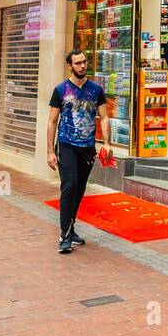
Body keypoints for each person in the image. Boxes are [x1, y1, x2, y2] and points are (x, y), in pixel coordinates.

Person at [46, 50, 111, 254]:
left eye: (84, 62)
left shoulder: (96, 89)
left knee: (80, 189)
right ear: (69, 66)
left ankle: (71, 227)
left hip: (87, 148)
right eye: (78, 63)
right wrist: (50, 151)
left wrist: (107, 143)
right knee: (69, 186)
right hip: (66, 145)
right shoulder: (60, 90)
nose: (82, 66)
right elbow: (52, 121)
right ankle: (64, 236)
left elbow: (104, 117)